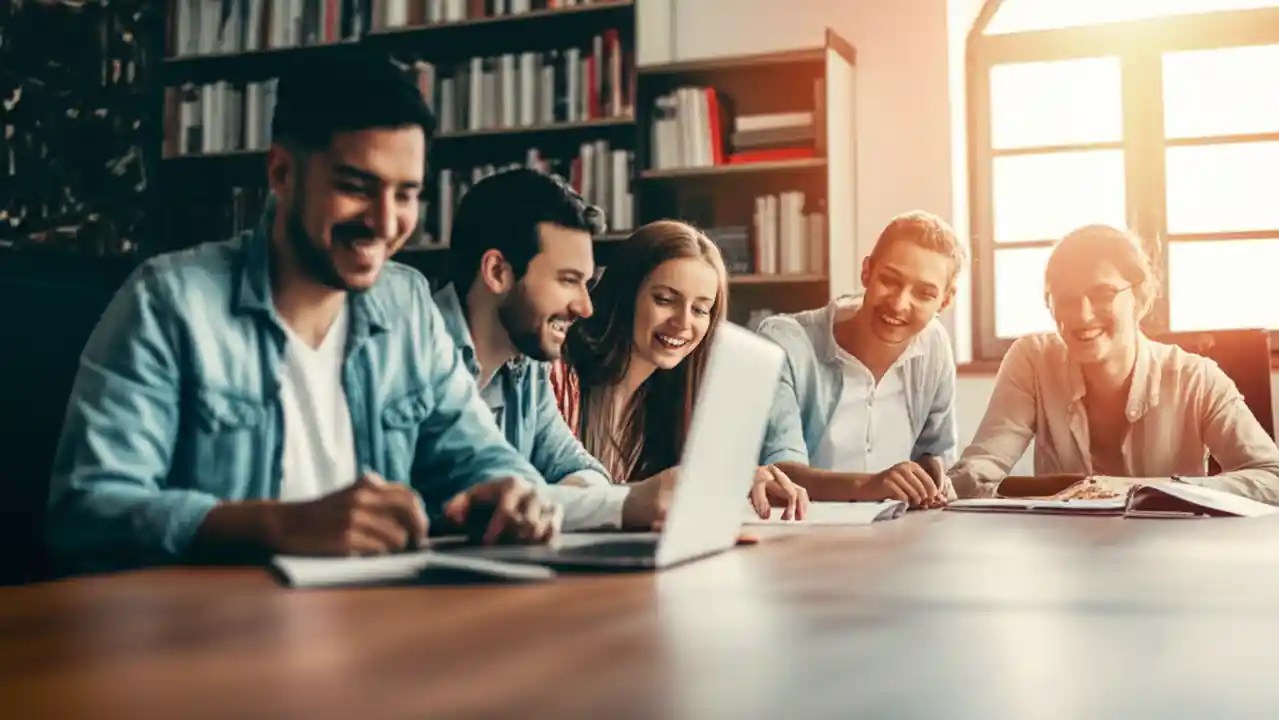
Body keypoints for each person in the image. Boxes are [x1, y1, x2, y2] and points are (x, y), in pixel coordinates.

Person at [46, 52, 559, 573]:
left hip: (380, 610)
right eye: (356, 187)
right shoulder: (169, 302)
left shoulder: (407, 305)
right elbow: (88, 511)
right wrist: (280, 525)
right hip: (213, 617)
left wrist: (515, 494)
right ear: (282, 172)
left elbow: (481, 457)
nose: (385, 223)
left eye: (405, 194)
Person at [948, 224, 1279, 502]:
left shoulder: (1196, 378)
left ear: (1141, 298)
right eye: (1066, 298)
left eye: (1104, 294)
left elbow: (1273, 479)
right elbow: (978, 473)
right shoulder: (1033, 360)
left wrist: (1151, 491)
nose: (1083, 315)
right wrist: (936, 486)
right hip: (1065, 548)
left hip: (1171, 548)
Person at [434, 168, 672, 530]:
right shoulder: (416, 346)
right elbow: (459, 497)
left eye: (586, 283)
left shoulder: (525, 361)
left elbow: (578, 466)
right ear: (497, 272)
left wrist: (568, 501)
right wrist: (622, 504)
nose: (585, 307)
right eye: (568, 280)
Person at [553, 220, 809, 521]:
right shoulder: (559, 377)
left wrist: (734, 481)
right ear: (626, 294)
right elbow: (545, 497)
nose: (683, 322)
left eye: (700, 309)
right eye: (664, 299)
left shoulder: (673, 400)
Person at [757, 211, 963, 509]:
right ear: (867, 272)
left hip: (900, 528)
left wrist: (934, 477)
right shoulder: (786, 342)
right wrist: (871, 485)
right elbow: (779, 473)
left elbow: (938, 453)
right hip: (804, 527)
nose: (899, 304)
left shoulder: (934, 344)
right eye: (889, 281)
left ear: (945, 300)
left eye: (924, 293)